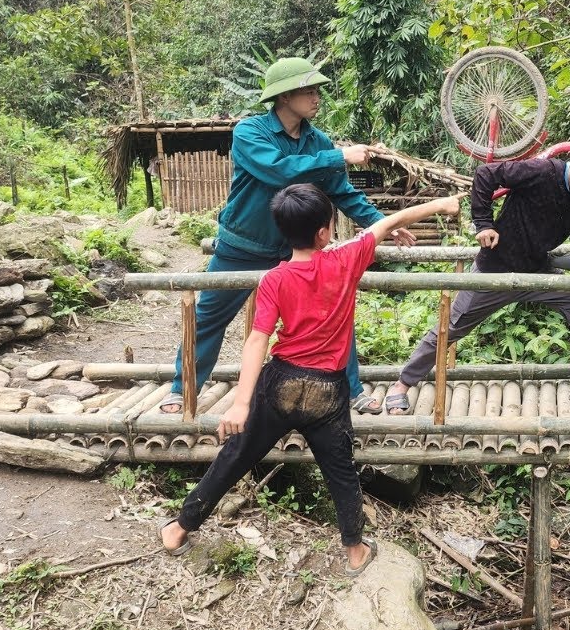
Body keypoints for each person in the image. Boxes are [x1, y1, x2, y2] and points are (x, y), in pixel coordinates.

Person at [159, 184, 465, 573]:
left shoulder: (274, 279)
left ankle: (179, 529)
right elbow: (391, 221)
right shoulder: (346, 260)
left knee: (235, 457)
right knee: (340, 470)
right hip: (328, 390)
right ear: (324, 232)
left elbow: (257, 338)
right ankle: (355, 551)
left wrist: (240, 403)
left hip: (280, 384)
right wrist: (441, 204)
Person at [159, 57, 415, 416]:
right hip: (241, 246)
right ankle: (181, 388)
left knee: (334, 314)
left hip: (294, 250)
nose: (317, 98)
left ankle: (352, 389)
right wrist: (339, 154)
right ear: (284, 97)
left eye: (317, 90)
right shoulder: (250, 133)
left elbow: (342, 192)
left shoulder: (317, 141)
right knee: (208, 318)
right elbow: (277, 171)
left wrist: (383, 223)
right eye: (308, 91)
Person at [381, 133, 570, 415]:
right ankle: (402, 385)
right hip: (495, 271)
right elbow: (485, 174)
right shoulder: (540, 171)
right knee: (451, 328)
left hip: (536, 272)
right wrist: (483, 224)